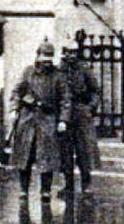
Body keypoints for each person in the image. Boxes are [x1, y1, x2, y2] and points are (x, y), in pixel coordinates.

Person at [10, 38, 69, 203]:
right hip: (28, 118)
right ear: (37, 57)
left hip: (48, 119)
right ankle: (23, 190)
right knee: (25, 156)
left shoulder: (58, 76)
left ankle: (45, 191)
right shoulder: (28, 72)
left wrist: (63, 120)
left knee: (46, 157)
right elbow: (16, 92)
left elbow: (65, 100)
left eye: (49, 59)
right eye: (43, 59)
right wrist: (14, 109)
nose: (46, 63)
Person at [59, 38, 101, 196]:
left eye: (74, 52)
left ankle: (86, 183)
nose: (70, 55)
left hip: (81, 112)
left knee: (84, 150)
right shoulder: (60, 71)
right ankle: (68, 184)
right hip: (64, 115)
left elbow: (95, 91)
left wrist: (90, 108)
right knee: (65, 151)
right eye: (68, 52)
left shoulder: (84, 69)